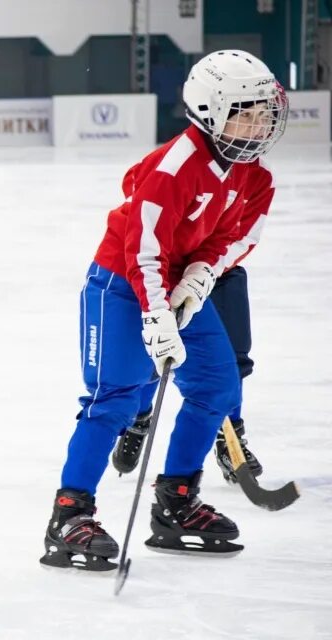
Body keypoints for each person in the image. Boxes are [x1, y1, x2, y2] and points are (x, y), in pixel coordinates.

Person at [39, 50, 288, 572]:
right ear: (211, 109)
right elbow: (143, 249)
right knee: (118, 397)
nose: (263, 121)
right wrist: (155, 315)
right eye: (249, 110)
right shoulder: (175, 166)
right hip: (122, 285)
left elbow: (236, 238)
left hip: (177, 286)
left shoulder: (254, 177)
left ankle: (175, 499)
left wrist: (200, 278)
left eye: (267, 109)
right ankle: (70, 513)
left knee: (217, 386)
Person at [111, 156, 275, 483]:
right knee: (154, 351)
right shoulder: (186, 158)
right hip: (167, 269)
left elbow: (245, 235)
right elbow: (136, 187)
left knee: (233, 360)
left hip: (216, 275)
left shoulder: (258, 178)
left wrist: (205, 271)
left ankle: (229, 440)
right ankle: (139, 418)